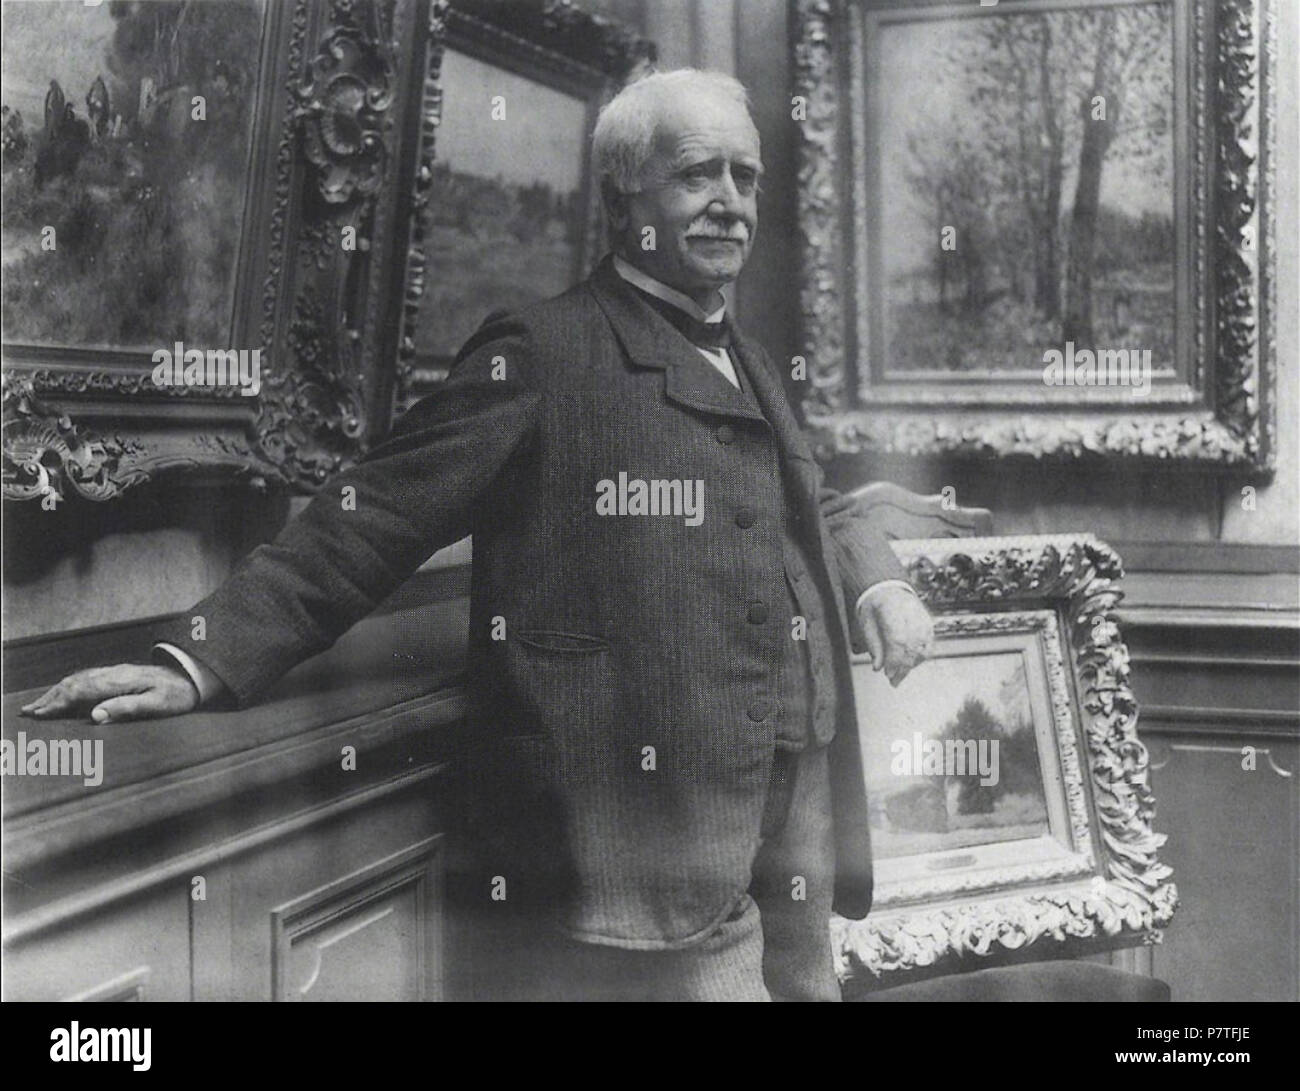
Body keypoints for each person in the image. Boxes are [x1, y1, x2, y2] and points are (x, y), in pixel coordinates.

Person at [22, 69, 934, 1001]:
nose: (731, 205)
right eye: (699, 175)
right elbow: (373, 511)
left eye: (746, 178)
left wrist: (875, 581)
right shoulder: (540, 353)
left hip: (798, 788)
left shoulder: (744, 353)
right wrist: (198, 657)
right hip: (657, 809)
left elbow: (797, 505)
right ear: (623, 199)